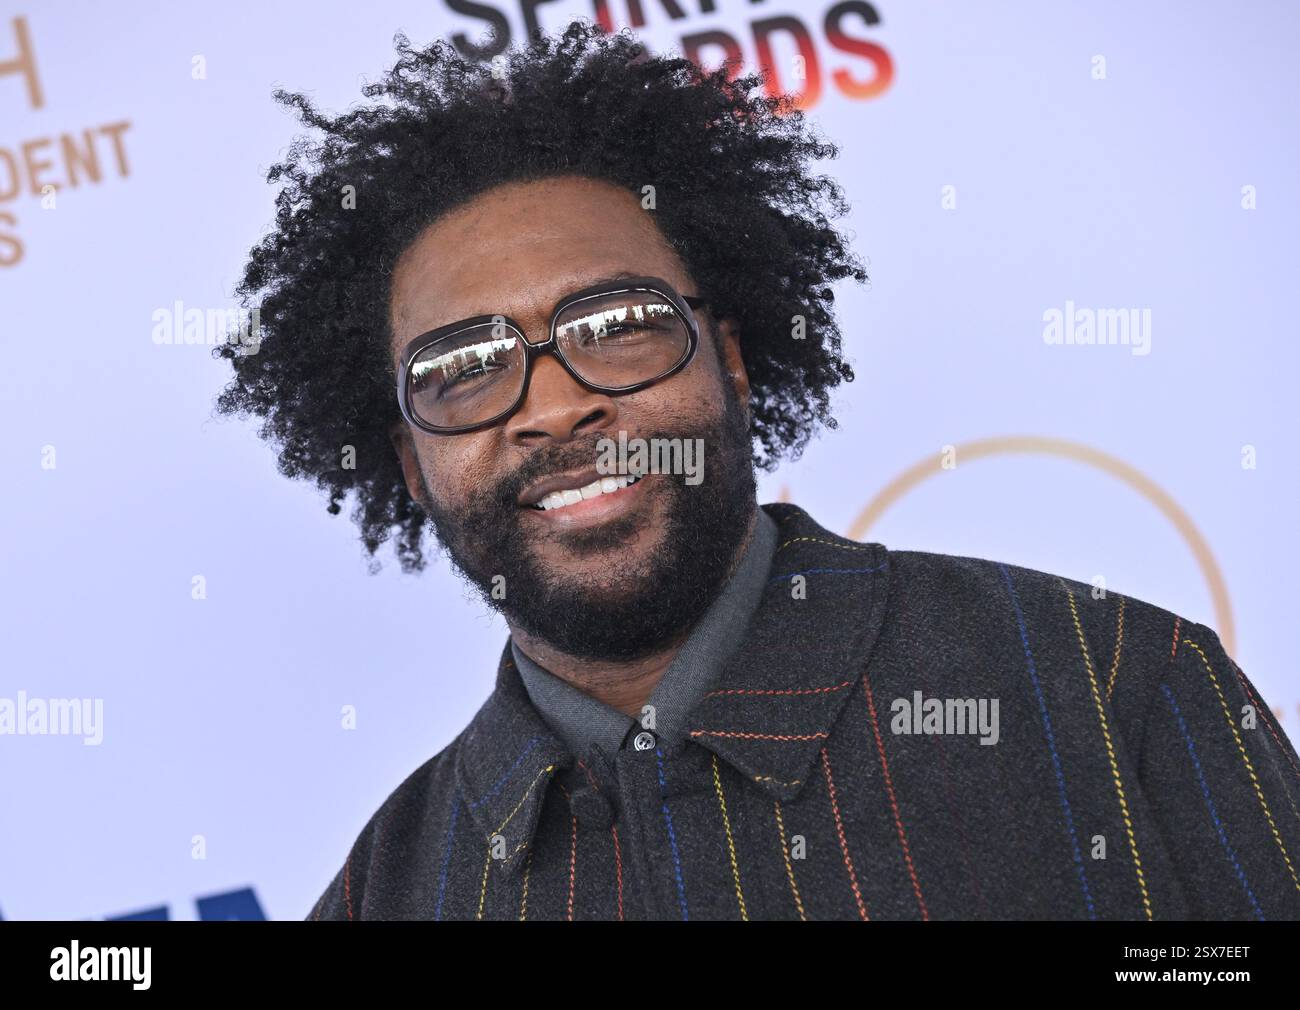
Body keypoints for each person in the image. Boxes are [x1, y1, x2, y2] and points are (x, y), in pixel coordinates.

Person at [213, 23, 1300, 920]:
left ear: (729, 355)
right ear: (410, 458)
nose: (552, 405)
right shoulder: (384, 894)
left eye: (618, 324)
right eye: (461, 367)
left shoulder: (1111, 682)